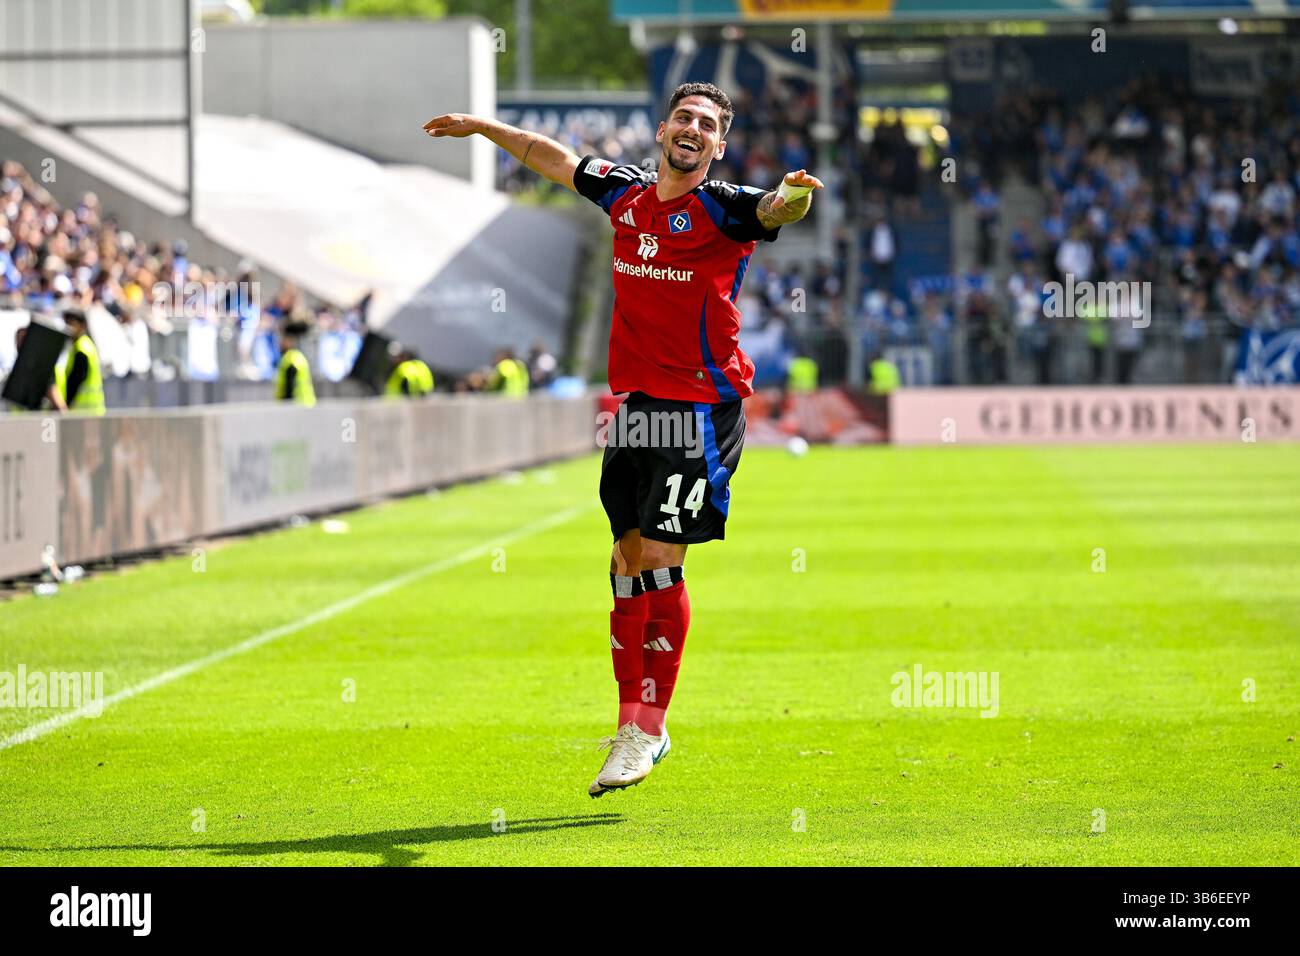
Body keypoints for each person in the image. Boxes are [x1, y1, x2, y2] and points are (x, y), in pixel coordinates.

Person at [425, 81, 822, 797]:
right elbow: (551, 158)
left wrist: (794, 196)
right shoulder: (625, 194)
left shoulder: (725, 206)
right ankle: (632, 723)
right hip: (636, 405)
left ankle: (647, 727)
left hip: (699, 407)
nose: (693, 130)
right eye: (685, 118)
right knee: (626, 557)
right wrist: (481, 126)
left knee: (665, 557)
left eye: (707, 124)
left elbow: (774, 210)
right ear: (665, 128)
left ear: (718, 145)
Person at [54, 309, 105, 415]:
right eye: (66, 324)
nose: (69, 328)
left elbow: (75, 381)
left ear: (82, 326)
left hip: (85, 412)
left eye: (72, 324)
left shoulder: (82, 350)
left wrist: (63, 405)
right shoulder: (80, 345)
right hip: (87, 411)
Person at [273, 320, 316, 406]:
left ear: (289, 341)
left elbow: (289, 388)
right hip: (305, 403)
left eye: (282, 339)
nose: (279, 343)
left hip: (297, 406)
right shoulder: (297, 357)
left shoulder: (290, 360)